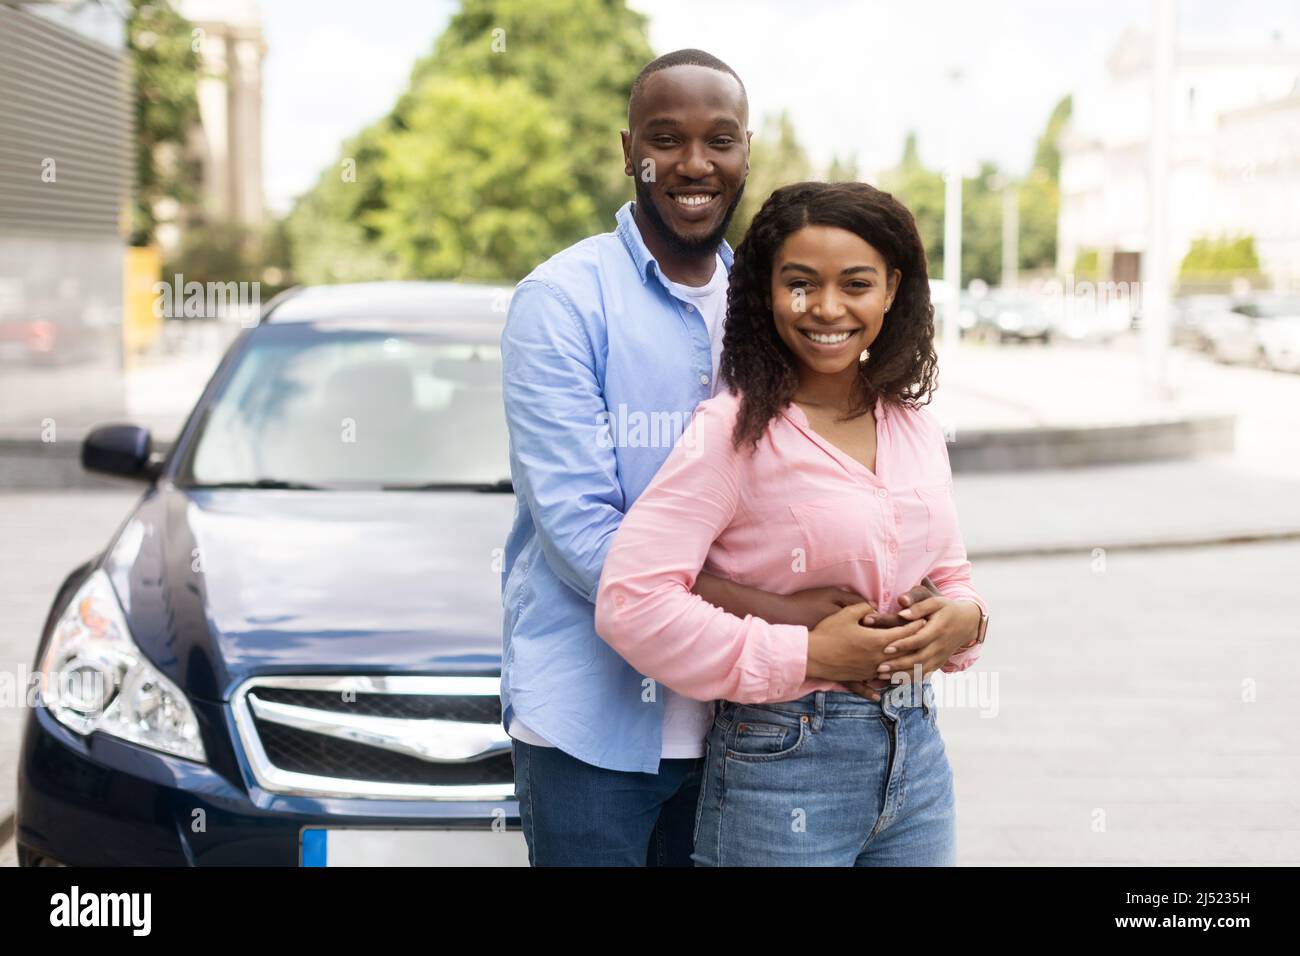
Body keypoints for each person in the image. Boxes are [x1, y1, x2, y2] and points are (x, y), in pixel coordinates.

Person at [500, 53, 931, 866]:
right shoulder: (562, 302)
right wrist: (787, 613)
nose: (695, 164)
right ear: (631, 151)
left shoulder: (777, 306)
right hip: (593, 730)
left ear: (746, 153)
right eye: (667, 140)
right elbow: (583, 538)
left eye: (720, 140)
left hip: (755, 728)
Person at [594, 180, 990, 866]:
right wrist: (806, 655)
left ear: (892, 289)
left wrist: (969, 621)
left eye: (856, 283)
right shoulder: (731, 434)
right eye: (800, 284)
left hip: (916, 760)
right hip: (782, 763)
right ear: (766, 293)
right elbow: (631, 603)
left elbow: (948, 574)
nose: (827, 308)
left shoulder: (914, 425)